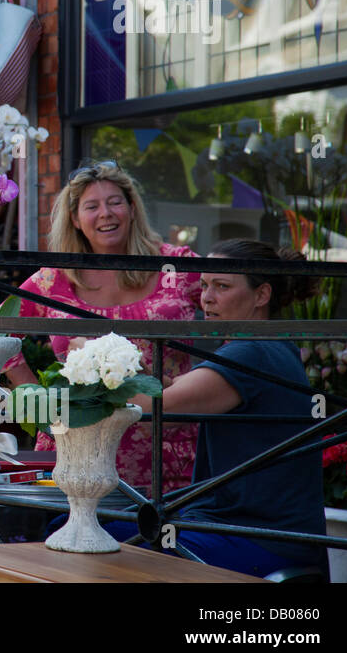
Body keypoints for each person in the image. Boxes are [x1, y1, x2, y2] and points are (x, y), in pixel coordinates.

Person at [110, 238, 328, 577]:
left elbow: (154, 412)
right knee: (97, 525)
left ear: (262, 295)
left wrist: (99, 363)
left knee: (80, 529)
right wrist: (125, 364)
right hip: (251, 530)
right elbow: (172, 392)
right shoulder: (264, 345)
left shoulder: (250, 352)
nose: (207, 298)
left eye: (222, 286)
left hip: (257, 538)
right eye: (205, 285)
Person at [4, 160, 201, 491]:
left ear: (132, 208)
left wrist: (213, 386)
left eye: (114, 202)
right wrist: (37, 399)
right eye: (92, 206)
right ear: (76, 220)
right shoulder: (54, 278)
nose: (106, 213)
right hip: (77, 450)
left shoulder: (176, 265)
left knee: (166, 542)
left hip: (168, 448)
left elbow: (231, 309)